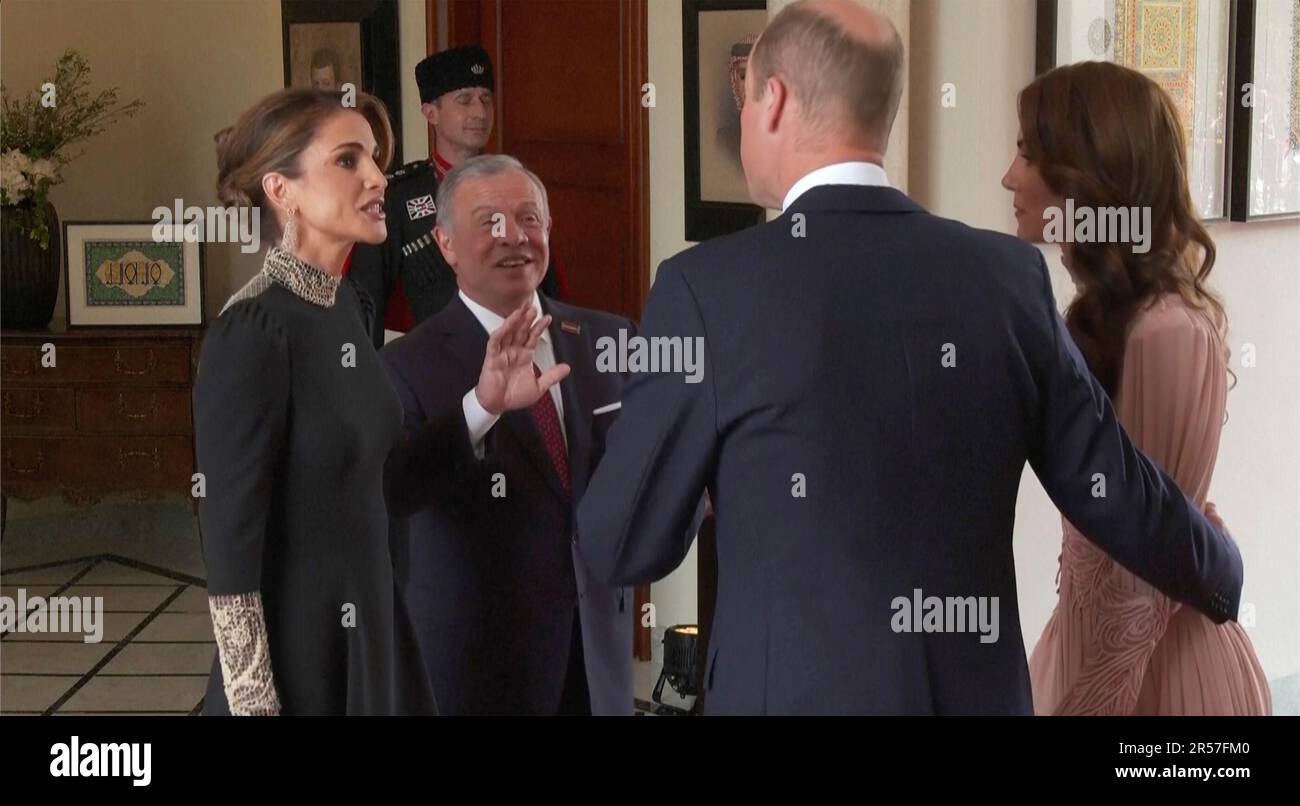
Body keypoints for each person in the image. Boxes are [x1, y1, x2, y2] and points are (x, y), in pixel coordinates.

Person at [575, 0, 1243, 715]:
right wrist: (1222, 572)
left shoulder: (703, 289)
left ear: (772, 100)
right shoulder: (1007, 277)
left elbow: (620, 545)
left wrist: (699, 479)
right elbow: (1115, 492)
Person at [1002, 61, 1271, 715]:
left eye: (1027, 155)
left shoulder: (1163, 331)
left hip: (1154, 680)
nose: (1009, 177)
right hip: (1096, 648)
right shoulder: (1107, 315)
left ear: (1085, 175)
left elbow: (1142, 576)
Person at [381, 155, 669, 714]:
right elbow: (396, 491)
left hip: (598, 662)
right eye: (489, 221)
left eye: (528, 218)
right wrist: (481, 408)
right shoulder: (404, 365)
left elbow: (641, 466)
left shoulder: (608, 336)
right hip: (478, 671)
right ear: (445, 244)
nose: (513, 236)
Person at [195, 87, 437, 715]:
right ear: (282, 190)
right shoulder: (252, 331)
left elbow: (373, 480)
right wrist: (252, 701)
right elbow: (228, 539)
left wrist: (487, 403)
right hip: (299, 665)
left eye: (377, 160)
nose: (379, 178)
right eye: (349, 161)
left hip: (371, 644)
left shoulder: (349, 307)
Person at [349, 45, 566, 347]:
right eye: (464, 100)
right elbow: (364, 305)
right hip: (433, 370)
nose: (479, 112)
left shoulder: (517, 189)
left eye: (485, 99)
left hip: (517, 358)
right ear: (430, 112)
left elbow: (551, 295)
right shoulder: (397, 198)